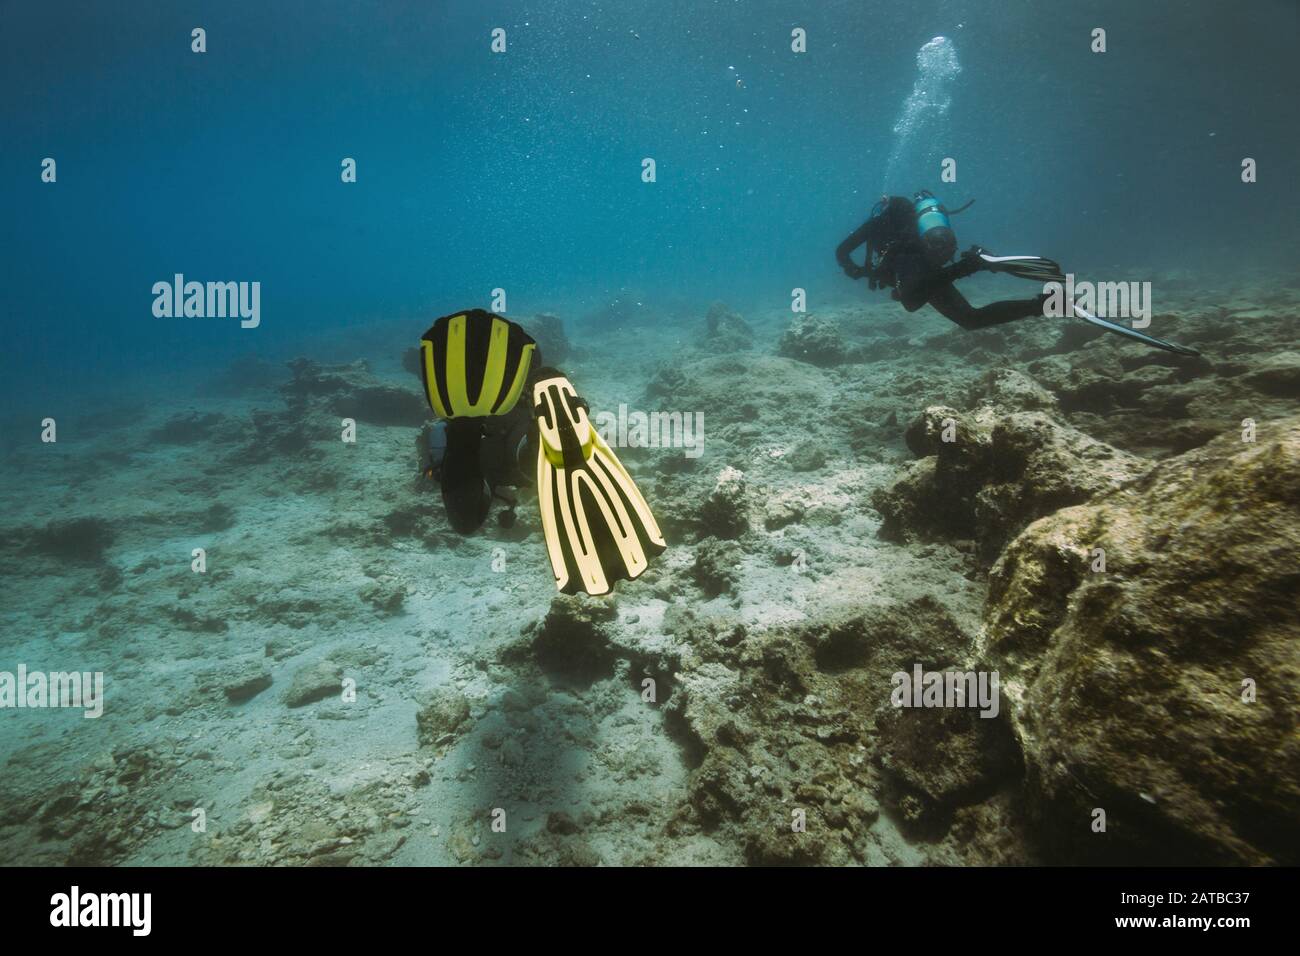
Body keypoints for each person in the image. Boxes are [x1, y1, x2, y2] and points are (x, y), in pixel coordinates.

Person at [415, 309, 666, 596]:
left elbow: (443, 474)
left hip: (479, 445)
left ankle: (469, 427)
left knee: (467, 521)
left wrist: (456, 438)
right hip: (521, 424)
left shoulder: (447, 441)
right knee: (527, 454)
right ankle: (544, 404)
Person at [836, 191, 1048, 330]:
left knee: (911, 302)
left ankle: (971, 264)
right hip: (928, 268)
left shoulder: (876, 224)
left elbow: (841, 250)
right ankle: (1045, 304)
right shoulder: (911, 224)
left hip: (909, 266)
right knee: (970, 319)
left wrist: (852, 270)